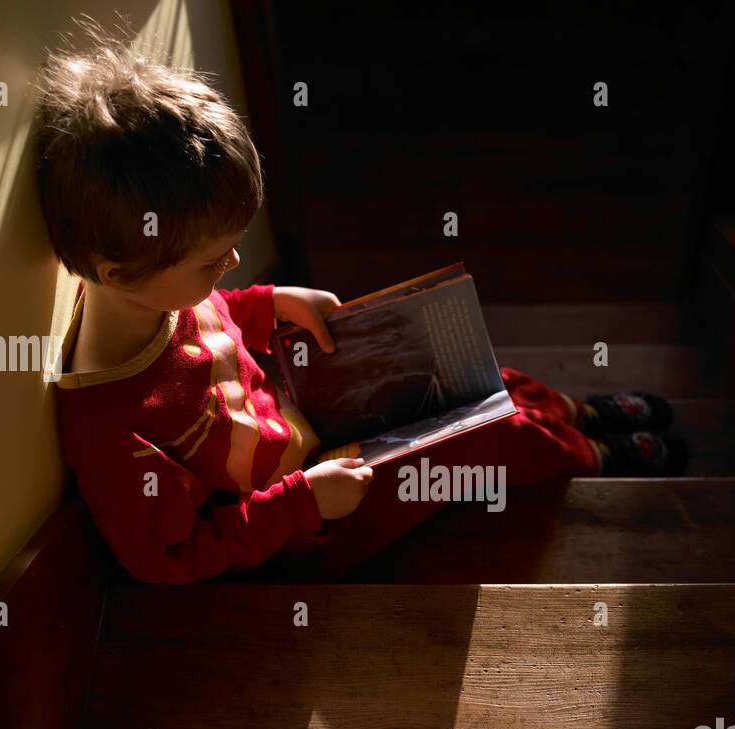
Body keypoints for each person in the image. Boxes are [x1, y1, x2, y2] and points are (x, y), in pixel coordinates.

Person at [34, 27, 688, 584]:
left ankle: (573, 411)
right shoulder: (111, 431)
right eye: (212, 261)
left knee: (456, 376)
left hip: (309, 417)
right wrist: (303, 504)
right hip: (318, 517)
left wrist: (267, 302)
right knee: (471, 447)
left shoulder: (152, 294)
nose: (231, 265)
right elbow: (171, 556)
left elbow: (214, 312)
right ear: (117, 271)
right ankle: (589, 455)